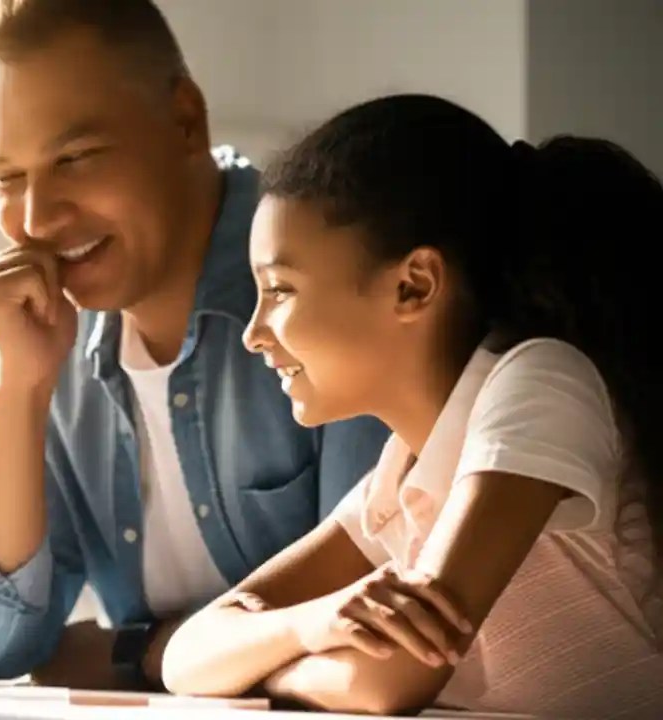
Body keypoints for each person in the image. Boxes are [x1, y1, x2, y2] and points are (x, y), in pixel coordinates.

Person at [0, 0, 388, 689]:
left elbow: (367, 621)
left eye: (74, 158)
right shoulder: (57, 346)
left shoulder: (330, 283)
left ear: (184, 121)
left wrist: (134, 657)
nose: (38, 219)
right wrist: (15, 389)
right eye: (6, 179)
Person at [160, 92, 663, 718]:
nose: (253, 333)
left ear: (413, 285)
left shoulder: (541, 383)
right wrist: (313, 625)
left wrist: (268, 670)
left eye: (281, 290)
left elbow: (387, 681)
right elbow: (186, 656)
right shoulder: (400, 476)